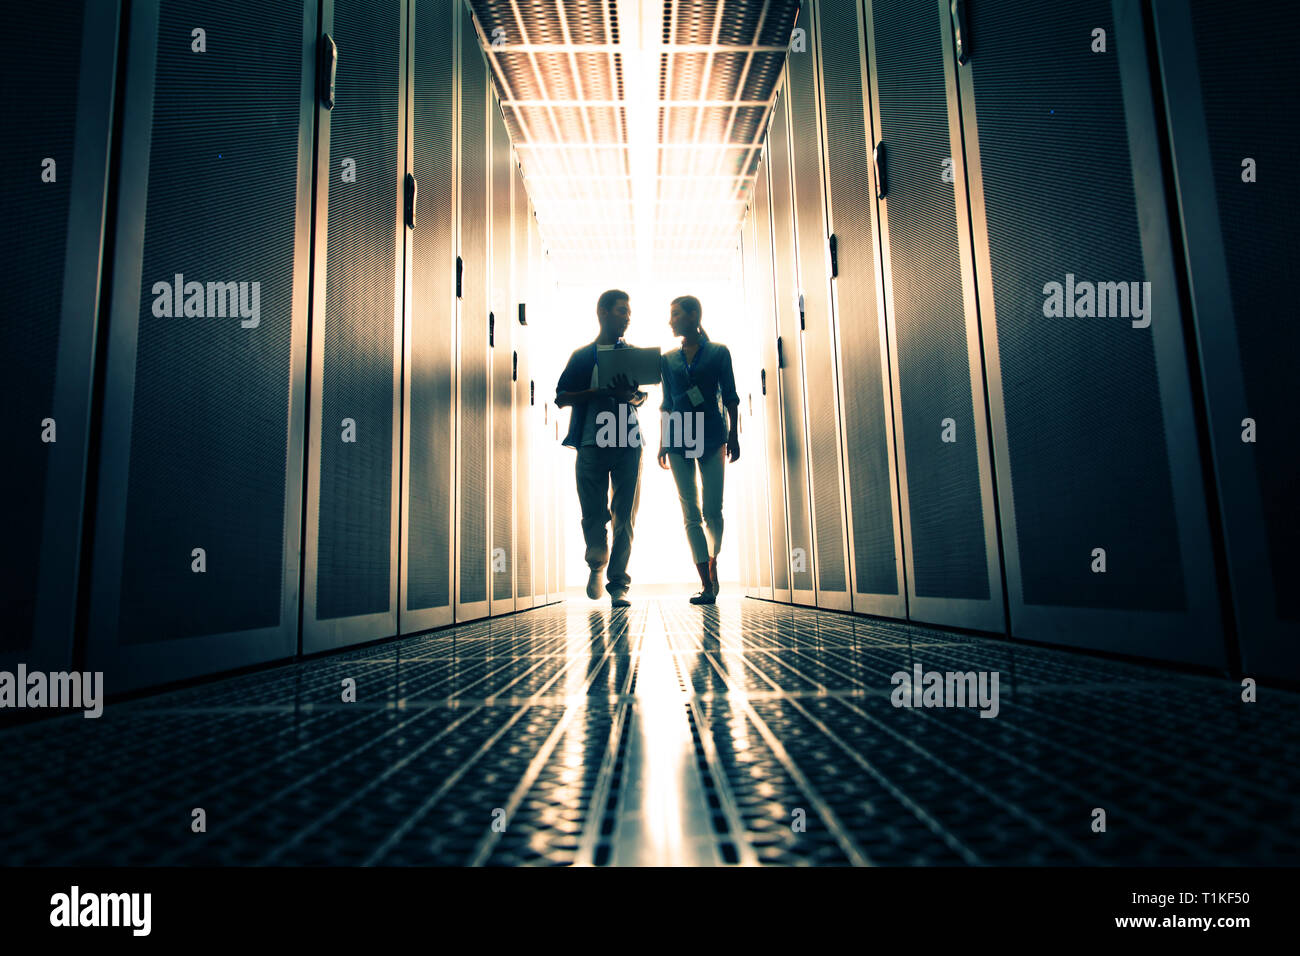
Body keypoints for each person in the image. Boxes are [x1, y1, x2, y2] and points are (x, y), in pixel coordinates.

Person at [555, 289, 648, 607]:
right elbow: (561, 396)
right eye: (622, 310)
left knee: (625, 516)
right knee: (593, 513)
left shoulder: (633, 353)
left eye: (629, 311)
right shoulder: (583, 355)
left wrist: (629, 396)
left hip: (628, 441)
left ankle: (618, 584)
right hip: (592, 442)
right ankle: (597, 563)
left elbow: (642, 397)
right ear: (603, 313)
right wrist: (595, 392)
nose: (628, 316)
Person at [656, 295, 740, 605]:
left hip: (712, 434)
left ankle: (713, 561)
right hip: (678, 437)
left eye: (676, 314)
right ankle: (705, 582)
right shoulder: (667, 360)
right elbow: (666, 402)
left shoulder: (719, 353)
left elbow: (730, 395)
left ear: (693, 316)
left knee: (712, 510)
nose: (671, 321)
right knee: (689, 512)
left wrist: (734, 435)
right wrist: (663, 441)